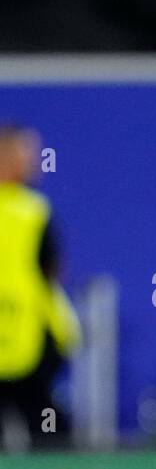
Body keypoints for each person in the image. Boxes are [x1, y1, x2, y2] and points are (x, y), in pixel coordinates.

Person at [0, 125, 80, 451]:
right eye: (24, 153)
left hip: (28, 346)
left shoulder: (34, 209)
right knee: (49, 433)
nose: (33, 161)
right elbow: (52, 269)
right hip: (32, 343)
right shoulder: (34, 210)